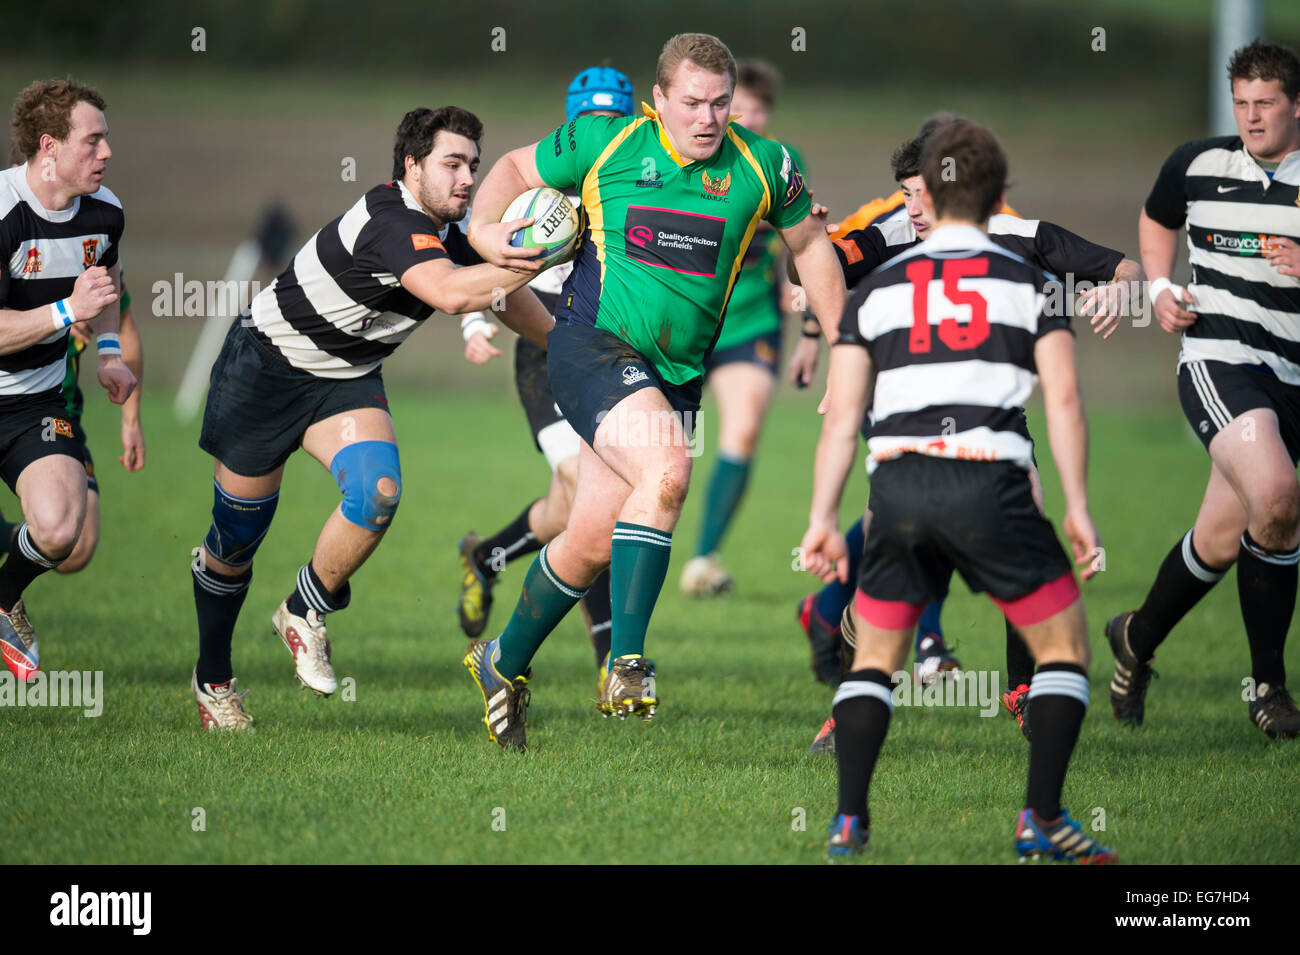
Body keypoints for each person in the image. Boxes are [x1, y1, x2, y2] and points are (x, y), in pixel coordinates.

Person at [462, 32, 844, 750]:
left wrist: (843, 344)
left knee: (592, 536)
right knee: (667, 471)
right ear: (658, 99)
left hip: (676, 375)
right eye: (692, 102)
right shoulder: (605, 142)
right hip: (587, 346)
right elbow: (514, 165)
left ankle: (500, 660)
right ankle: (626, 664)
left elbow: (812, 249)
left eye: (721, 103)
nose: (708, 118)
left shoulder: (767, 165)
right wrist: (484, 231)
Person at [801, 119, 1116, 862]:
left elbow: (842, 417)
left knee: (875, 657)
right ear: (997, 197)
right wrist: (1075, 507)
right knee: (1065, 648)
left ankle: (849, 821)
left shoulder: (874, 290)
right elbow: (1065, 404)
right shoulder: (1028, 284)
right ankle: (1041, 816)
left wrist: (820, 517)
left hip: (899, 487)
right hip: (992, 483)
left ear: (926, 198)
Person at [187, 106, 554, 729]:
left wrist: (568, 344)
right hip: (264, 371)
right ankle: (213, 681)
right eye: (452, 163)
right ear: (412, 166)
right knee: (234, 545)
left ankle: (304, 610)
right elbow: (449, 291)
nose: (468, 178)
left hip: (346, 379)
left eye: (473, 165)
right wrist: (544, 252)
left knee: (378, 493)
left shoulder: (453, 224)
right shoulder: (392, 219)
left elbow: (503, 297)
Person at [1108, 39, 1300, 739]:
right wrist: (1160, 288)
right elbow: (1158, 219)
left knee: (1227, 537)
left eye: (1266, 104)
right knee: (1277, 494)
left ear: (1297, 105)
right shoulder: (1197, 163)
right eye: (1242, 104)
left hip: (1294, 379)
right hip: (1221, 359)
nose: (1251, 118)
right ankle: (1269, 690)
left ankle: (1134, 636)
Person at [457, 65, 634, 673]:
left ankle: (487, 558)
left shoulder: (635, 178)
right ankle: (612, 655)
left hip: (611, 350)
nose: (602, 127)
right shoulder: (541, 184)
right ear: (571, 120)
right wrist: (473, 321)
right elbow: (478, 254)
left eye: (615, 117)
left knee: (572, 508)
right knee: (595, 494)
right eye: (592, 118)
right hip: (544, 347)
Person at [0, 80, 136, 682]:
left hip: (36, 400)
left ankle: (5, 601)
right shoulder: (4, 212)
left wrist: (107, 351)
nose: (106, 153)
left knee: (62, 534)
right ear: (48, 146)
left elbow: (105, 291)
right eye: (94, 140)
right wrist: (63, 313)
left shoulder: (106, 213)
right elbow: (73, 305)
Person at [678, 59, 808, 596]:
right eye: (739, 109)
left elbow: (801, 235)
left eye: (759, 111)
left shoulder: (776, 164)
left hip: (750, 320)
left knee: (745, 426)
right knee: (664, 447)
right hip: (682, 324)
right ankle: (615, 541)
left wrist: (792, 279)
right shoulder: (691, 156)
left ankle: (703, 558)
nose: (748, 119)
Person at [11, 131, 147, 571]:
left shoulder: (93, 242)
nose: (105, 153)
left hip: (50, 402)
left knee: (74, 546)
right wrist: (66, 314)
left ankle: (15, 549)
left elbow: (122, 327)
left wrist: (130, 420)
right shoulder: (11, 229)